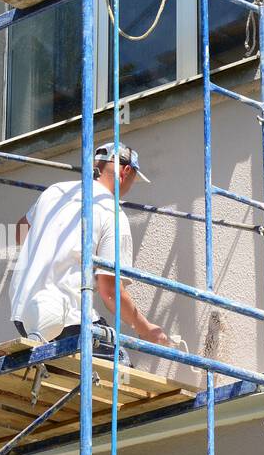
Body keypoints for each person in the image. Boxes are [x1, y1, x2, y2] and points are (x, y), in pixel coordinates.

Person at [10, 143, 170, 358]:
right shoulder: (112, 213)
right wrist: (145, 328)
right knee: (118, 367)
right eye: (133, 180)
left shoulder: (55, 191)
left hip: (23, 314)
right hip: (63, 319)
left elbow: (19, 232)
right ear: (126, 171)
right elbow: (109, 290)